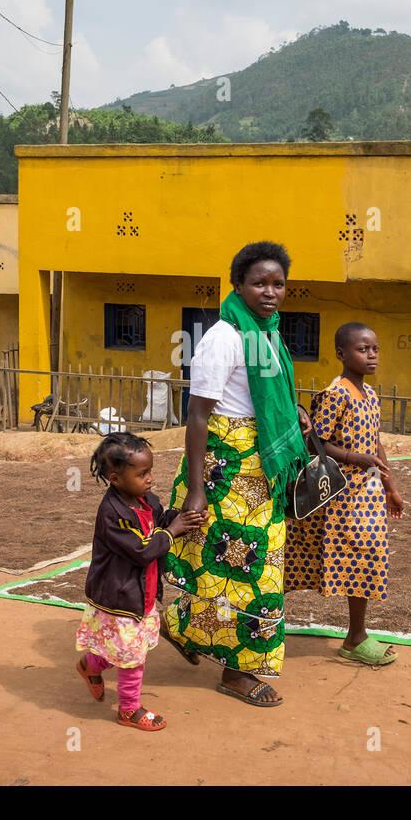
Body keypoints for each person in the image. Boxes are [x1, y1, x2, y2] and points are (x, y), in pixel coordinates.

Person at [162, 242, 313, 707]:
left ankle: (182, 628)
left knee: (246, 566)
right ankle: (236, 672)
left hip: (262, 469)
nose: (271, 292)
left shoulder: (268, 335)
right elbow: (199, 415)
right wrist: (194, 490)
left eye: (278, 283)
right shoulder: (225, 337)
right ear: (238, 286)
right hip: (226, 473)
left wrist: (295, 414)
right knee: (249, 572)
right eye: (259, 283)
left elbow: (267, 399)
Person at [284, 322, 405, 665]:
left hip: (366, 494)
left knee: (365, 558)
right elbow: (314, 440)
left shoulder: (370, 394)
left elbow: (376, 442)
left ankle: (356, 636)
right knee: (299, 558)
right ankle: (259, 620)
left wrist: (391, 487)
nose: (371, 355)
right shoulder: (335, 394)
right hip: (334, 493)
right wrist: (354, 457)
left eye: (375, 349)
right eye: (362, 349)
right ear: (341, 353)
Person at [76, 432, 205, 731]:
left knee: (122, 649)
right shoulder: (113, 513)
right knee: (133, 657)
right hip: (120, 597)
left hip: (140, 593)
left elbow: (160, 523)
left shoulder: (146, 501)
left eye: (150, 471)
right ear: (115, 479)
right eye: (142, 473)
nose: (149, 479)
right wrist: (173, 531)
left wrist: (181, 517)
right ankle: (129, 709)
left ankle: (90, 665)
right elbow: (141, 550)